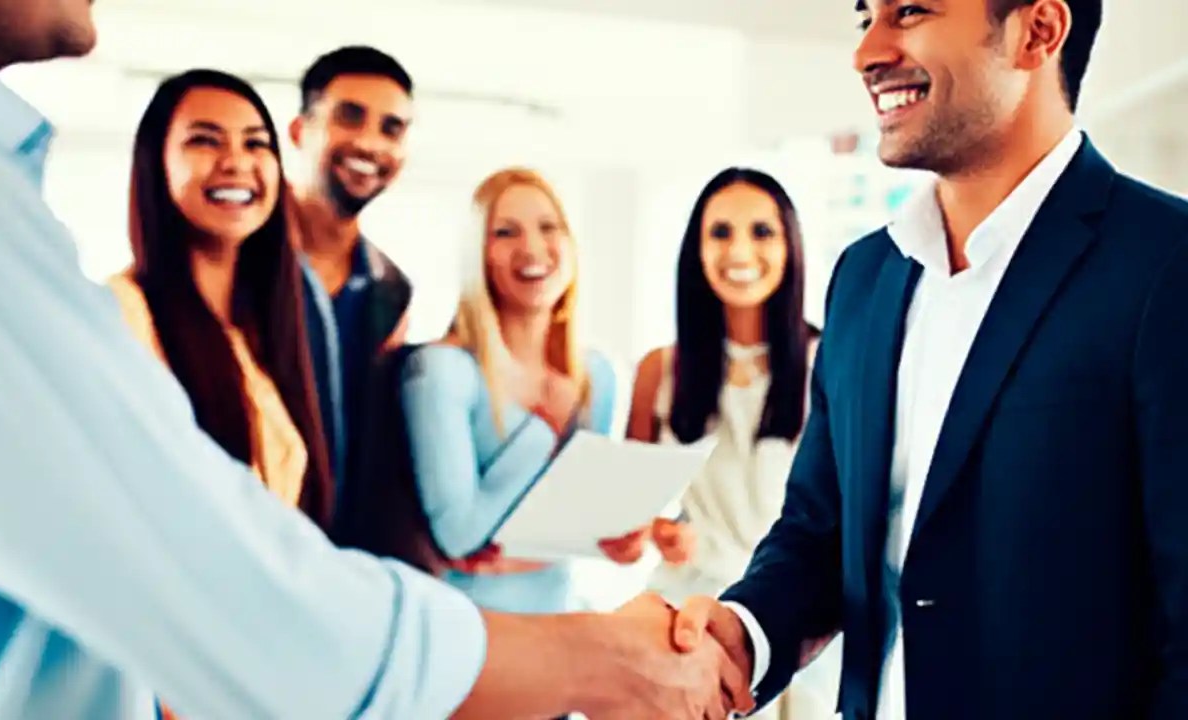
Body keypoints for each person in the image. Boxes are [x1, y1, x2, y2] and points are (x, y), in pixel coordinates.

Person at [0, 2, 756, 718]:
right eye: (205, 141)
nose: (238, 167)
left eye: (395, 125)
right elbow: (217, 565)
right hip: (292, 638)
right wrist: (602, 658)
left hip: (323, 622)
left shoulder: (376, 294)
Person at [671, 1, 1188, 718]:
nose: (867, 53)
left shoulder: (1166, 264)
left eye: (910, 11)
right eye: (866, 16)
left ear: (1037, 31)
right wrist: (744, 635)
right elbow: (820, 532)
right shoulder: (864, 279)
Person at [629, 167, 838, 719]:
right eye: (720, 232)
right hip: (689, 615)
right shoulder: (661, 371)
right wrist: (662, 532)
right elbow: (629, 513)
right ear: (695, 248)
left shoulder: (830, 364)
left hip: (793, 623)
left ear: (790, 245)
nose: (739, 249)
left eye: (761, 232)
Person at [399, 167, 655, 614]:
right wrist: (540, 434)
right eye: (505, 232)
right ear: (479, 255)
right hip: (466, 623)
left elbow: (583, 525)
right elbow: (458, 534)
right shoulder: (441, 372)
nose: (532, 248)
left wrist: (629, 537)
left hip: (561, 613)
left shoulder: (598, 376)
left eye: (548, 227)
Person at [110, 69, 333, 528]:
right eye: (205, 141)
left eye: (255, 143)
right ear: (158, 163)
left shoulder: (264, 327)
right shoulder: (124, 311)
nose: (236, 162)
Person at [287, 45, 414, 533]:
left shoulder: (391, 288)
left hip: (345, 558)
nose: (370, 143)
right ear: (301, 131)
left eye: (391, 129)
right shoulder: (238, 257)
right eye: (350, 117)